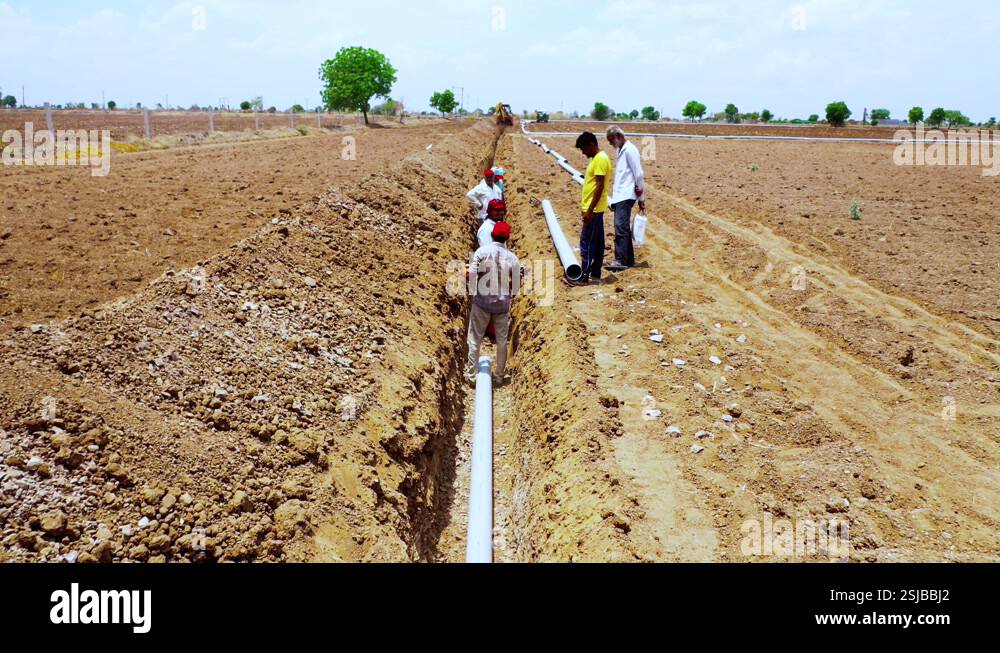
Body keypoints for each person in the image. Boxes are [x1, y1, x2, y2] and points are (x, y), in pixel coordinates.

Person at [466, 221, 521, 385]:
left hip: (482, 302)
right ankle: (498, 376)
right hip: (502, 305)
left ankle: (471, 375)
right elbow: (516, 287)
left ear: (492, 235)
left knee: (475, 338)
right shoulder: (513, 258)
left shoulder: (481, 252)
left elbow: (471, 276)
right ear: (507, 238)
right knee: (502, 341)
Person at [606, 125, 646, 269]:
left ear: (618, 136)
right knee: (623, 227)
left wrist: (642, 199)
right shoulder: (621, 150)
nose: (610, 143)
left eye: (611, 140)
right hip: (621, 195)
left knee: (620, 227)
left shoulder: (630, 150)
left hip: (626, 194)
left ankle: (620, 260)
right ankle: (628, 260)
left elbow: (639, 174)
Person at [574, 131, 612, 283]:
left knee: (587, 242)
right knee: (597, 242)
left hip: (594, 210)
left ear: (591, 145)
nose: (583, 153)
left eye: (583, 149)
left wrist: (589, 209)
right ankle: (595, 272)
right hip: (594, 209)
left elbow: (600, 186)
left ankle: (584, 276)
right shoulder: (598, 158)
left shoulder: (600, 159)